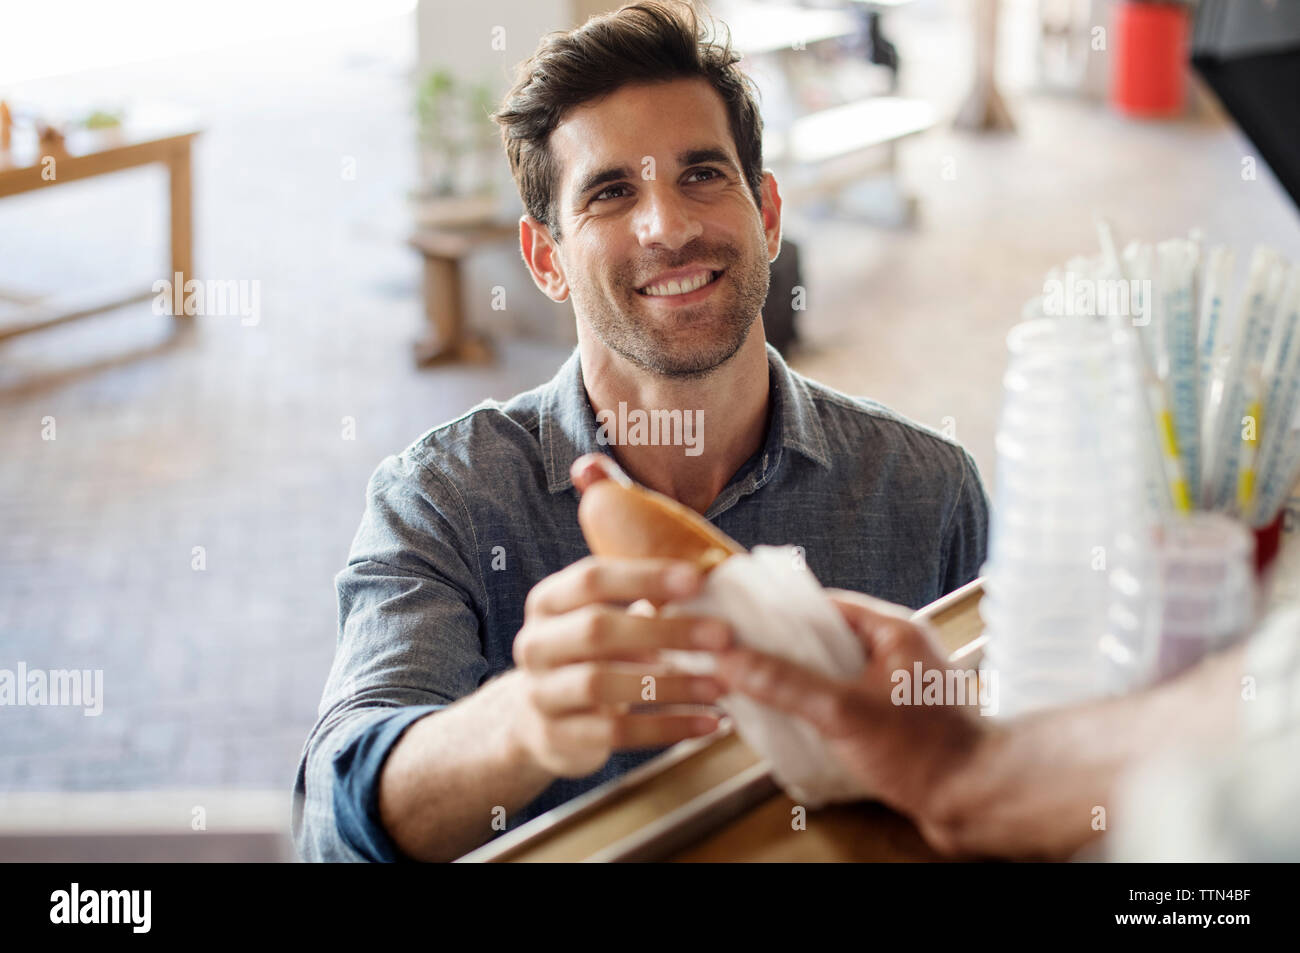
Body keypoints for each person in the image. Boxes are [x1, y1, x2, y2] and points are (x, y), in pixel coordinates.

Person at [292, 0, 988, 863]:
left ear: (767, 215)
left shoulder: (929, 489)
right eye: (612, 192)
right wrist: (521, 724)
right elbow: (331, 821)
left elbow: (997, 783)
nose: (669, 225)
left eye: (702, 174)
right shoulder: (444, 499)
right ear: (546, 259)